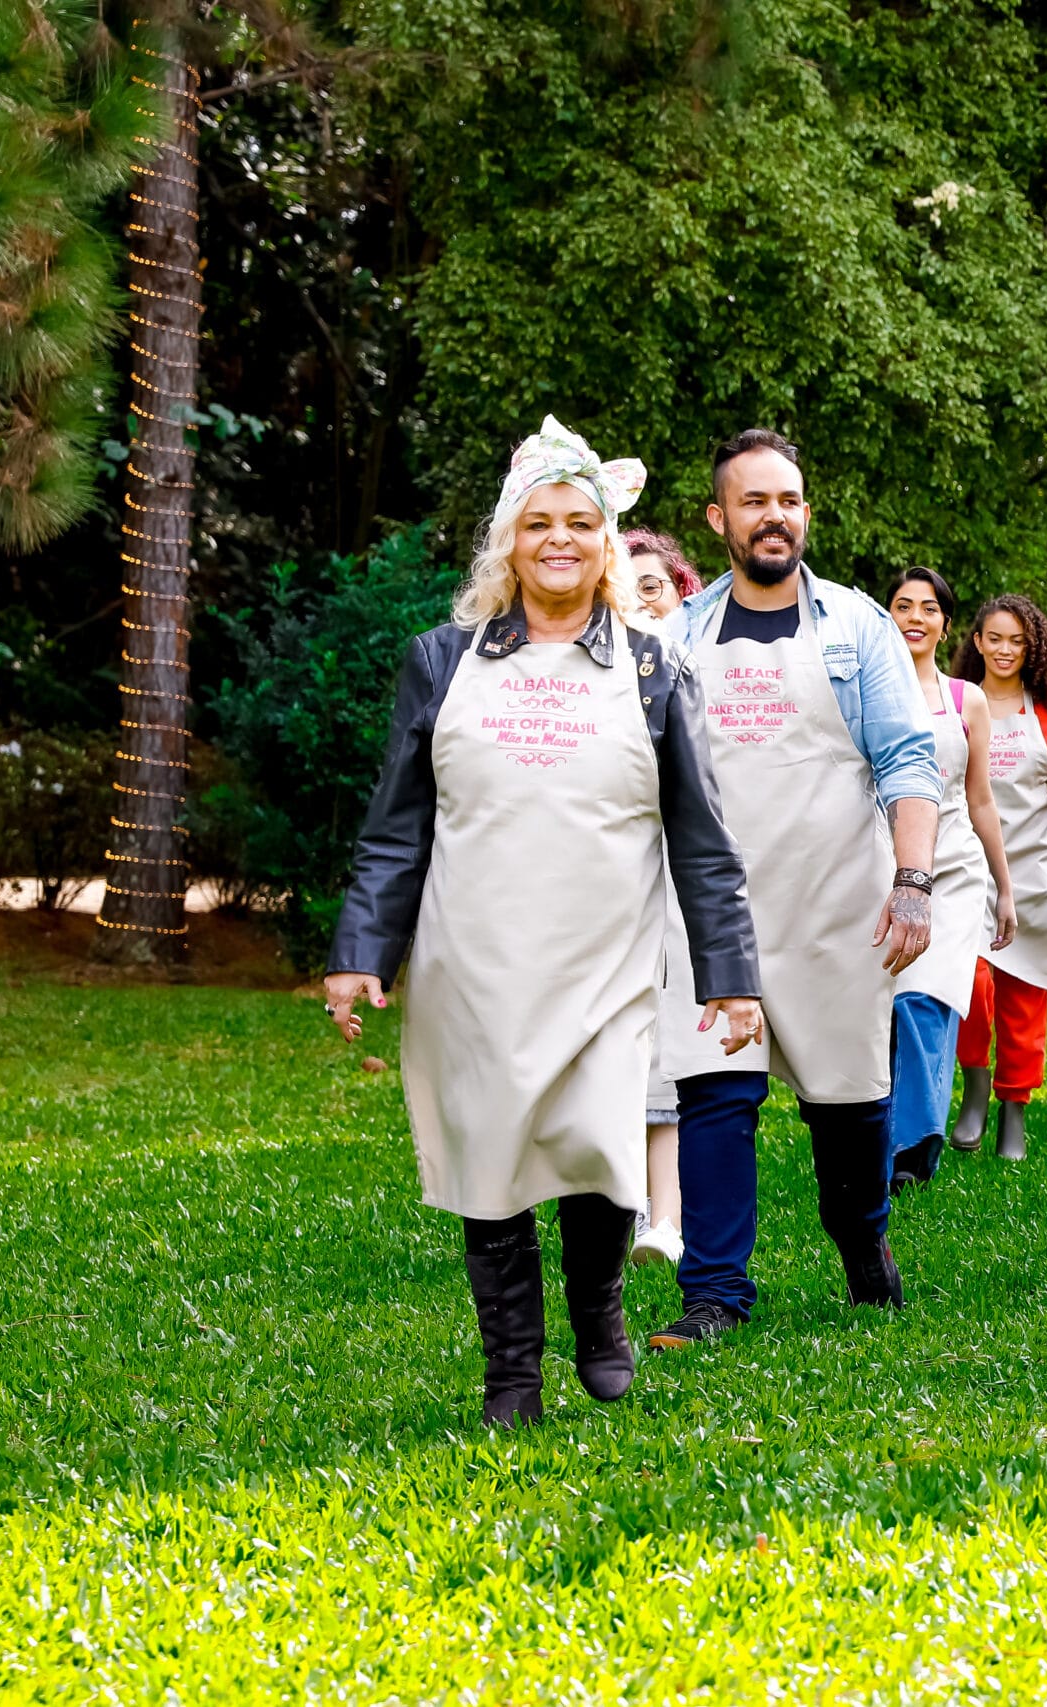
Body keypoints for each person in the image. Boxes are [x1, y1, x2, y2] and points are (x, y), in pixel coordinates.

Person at [323, 418, 762, 1427]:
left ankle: (598, 1309)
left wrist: (729, 974)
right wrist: (361, 952)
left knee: (604, 1151)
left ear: (607, 542)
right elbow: (397, 827)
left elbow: (702, 838)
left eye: (578, 523)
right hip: (470, 966)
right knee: (490, 1163)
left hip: (605, 965)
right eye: (537, 524)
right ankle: (510, 1372)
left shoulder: (654, 669)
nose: (557, 540)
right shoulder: (441, 662)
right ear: (507, 542)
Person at [649, 428, 942, 1349]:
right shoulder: (678, 636)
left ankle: (863, 1244)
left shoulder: (855, 626)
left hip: (834, 905)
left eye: (789, 501)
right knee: (714, 1098)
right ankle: (715, 1294)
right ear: (718, 519)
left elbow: (906, 758)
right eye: (754, 502)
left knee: (849, 1109)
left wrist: (915, 881)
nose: (775, 517)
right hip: (712, 913)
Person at [886, 568, 1018, 1191]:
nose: (916, 616)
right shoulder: (865, 691)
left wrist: (1005, 887)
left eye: (929, 608)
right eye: (903, 605)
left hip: (958, 872)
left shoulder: (968, 699)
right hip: (883, 869)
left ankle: (912, 1144)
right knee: (887, 1009)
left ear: (944, 624)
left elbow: (981, 800)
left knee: (927, 1001)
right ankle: (901, 1134)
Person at [949, 596, 1047, 1160]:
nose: (1005, 650)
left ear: (1032, 649)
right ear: (976, 641)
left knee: (1025, 1001)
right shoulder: (954, 702)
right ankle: (975, 1087)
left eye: (1017, 641)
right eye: (995, 638)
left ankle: (1014, 1112)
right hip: (967, 866)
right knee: (971, 986)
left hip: (1033, 868)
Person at [625, 529, 707, 1269]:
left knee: (669, 1056)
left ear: (683, 589)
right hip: (607, 889)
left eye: (654, 583)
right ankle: (622, 1201)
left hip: (682, 888)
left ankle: (666, 1218)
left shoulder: (699, 667)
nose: (640, 596)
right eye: (626, 582)